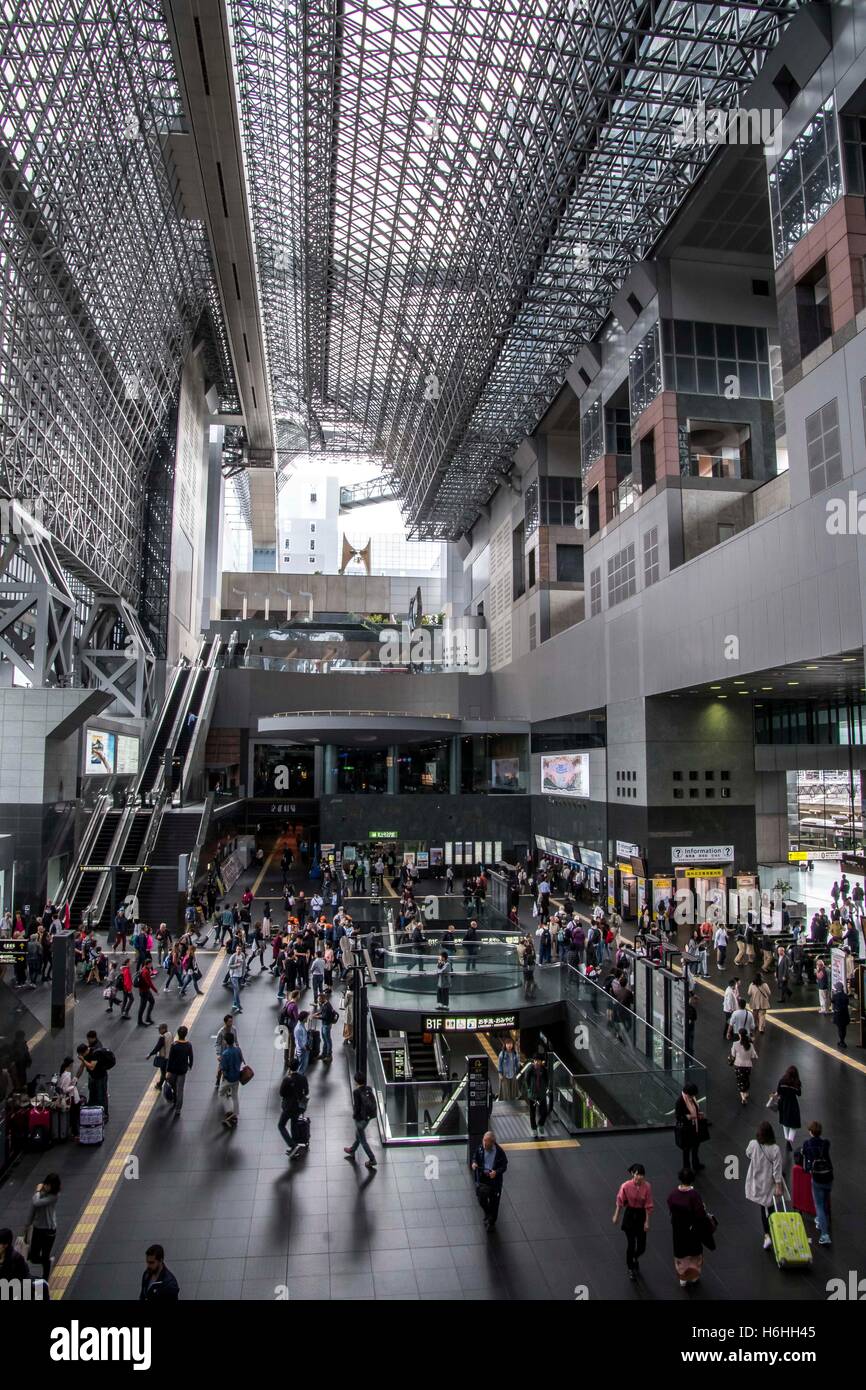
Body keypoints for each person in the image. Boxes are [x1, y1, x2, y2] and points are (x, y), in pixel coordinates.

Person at [745, 1120, 786, 1250]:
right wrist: (778, 1186)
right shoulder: (775, 1149)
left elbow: (748, 1154)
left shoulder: (753, 1144)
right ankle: (775, 1231)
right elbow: (777, 1169)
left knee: (763, 1207)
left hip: (758, 1181)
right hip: (770, 1181)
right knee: (772, 1206)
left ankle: (767, 1235)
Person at [666, 1169, 711, 1287]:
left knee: (681, 1253)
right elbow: (700, 1213)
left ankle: (683, 1277)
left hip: (678, 1228)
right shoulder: (694, 1195)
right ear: (692, 1180)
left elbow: (670, 1205)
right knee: (694, 1252)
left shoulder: (673, 1194)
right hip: (692, 1229)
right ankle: (694, 1275)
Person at [612, 1162, 653, 1281]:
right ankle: (630, 1267)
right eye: (637, 1174)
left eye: (641, 1175)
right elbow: (620, 1201)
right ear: (632, 1174)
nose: (639, 1177)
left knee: (642, 1246)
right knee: (631, 1243)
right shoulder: (625, 1186)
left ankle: (634, 1257)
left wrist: (647, 1221)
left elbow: (648, 1205)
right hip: (630, 1215)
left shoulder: (647, 1187)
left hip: (640, 1215)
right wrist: (616, 1215)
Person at [801, 1120, 833, 1247]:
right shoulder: (826, 1143)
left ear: (810, 1132)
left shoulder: (807, 1144)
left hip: (817, 1178)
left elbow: (804, 1155)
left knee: (818, 1205)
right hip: (829, 1177)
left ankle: (824, 1234)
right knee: (825, 1202)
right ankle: (822, 1221)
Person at [471, 1130, 508, 1231]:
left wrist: (496, 1172)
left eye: (486, 1143)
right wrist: (474, 1162)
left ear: (492, 1143)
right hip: (483, 1177)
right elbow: (475, 1156)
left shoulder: (499, 1152)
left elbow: (504, 1166)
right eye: (483, 1141)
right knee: (481, 1198)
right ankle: (488, 1214)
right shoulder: (481, 1148)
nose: (484, 1144)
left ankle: (491, 1222)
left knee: (494, 1202)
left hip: (494, 1180)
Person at [27, 1173, 61, 1282]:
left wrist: (37, 1191)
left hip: (49, 1229)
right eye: (46, 1184)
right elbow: (33, 1208)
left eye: (49, 1185)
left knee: (45, 1255)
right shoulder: (41, 1193)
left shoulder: (54, 1196)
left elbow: (36, 1203)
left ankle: (45, 1279)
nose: (46, 1187)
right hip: (38, 1228)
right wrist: (27, 1224)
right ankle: (47, 1262)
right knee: (33, 1257)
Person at [344, 1071, 378, 1169]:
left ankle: (372, 1159)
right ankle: (352, 1150)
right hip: (368, 1117)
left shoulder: (356, 1092)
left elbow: (357, 1107)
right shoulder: (369, 1088)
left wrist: (355, 1116)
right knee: (358, 1135)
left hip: (360, 1119)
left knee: (363, 1140)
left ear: (356, 1081)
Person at [278, 1057, 309, 1158]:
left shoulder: (287, 1080)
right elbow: (307, 1091)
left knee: (281, 1125)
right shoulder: (303, 1078)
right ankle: (294, 1145)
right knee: (294, 1122)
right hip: (299, 1106)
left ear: (289, 1067)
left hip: (288, 1106)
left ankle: (292, 1145)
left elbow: (281, 1093)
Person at [76, 1031, 111, 1121]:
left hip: (100, 1077)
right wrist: (76, 1078)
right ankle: (93, 1112)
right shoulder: (87, 1051)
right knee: (92, 1094)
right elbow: (82, 1066)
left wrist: (83, 1060)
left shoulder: (96, 1052)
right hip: (92, 1076)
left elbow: (91, 1067)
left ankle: (104, 1114)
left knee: (101, 1096)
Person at [674, 1082, 706, 1173]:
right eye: (691, 1096)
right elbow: (678, 1117)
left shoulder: (691, 1098)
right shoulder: (680, 1101)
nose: (693, 1097)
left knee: (696, 1146)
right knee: (686, 1149)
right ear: (687, 1094)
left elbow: (695, 1109)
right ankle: (686, 1168)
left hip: (694, 1127)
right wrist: (689, 1116)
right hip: (686, 1130)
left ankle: (696, 1164)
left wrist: (698, 1114)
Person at [165, 1025, 193, 1116]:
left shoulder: (174, 1045)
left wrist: (168, 1071)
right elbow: (191, 1057)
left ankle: (174, 1097)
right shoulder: (188, 1045)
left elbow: (170, 1059)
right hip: (182, 1070)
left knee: (173, 1085)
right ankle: (178, 1109)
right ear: (186, 1034)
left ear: (178, 1034)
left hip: (173, 1070)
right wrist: (190, 1065)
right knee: (180, 1090)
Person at [219, 1030, 244, 1128]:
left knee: (221, 1093)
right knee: (235, 1095)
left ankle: (229, 1111)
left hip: (229, 1078)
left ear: (226, 1041)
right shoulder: (238, 1049)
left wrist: (224, 1075)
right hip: (237, 1076)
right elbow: (241, 1060)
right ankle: (236, 1112)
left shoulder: (225, 1053)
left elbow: (223, 1067)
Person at [730, 1028, 758, 1105]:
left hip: (738, 1065)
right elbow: (754, 1056)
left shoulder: (735, 1044)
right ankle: (745, 1093)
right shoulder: (750, 1045)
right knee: (746, 1079)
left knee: (740, 1081)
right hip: (748, 1066)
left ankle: (743, 1097)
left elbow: (733, 1055)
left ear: (739, 1035)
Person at [776, 1065, 802, 1148]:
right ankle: (790, 1140)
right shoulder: (796, 1083)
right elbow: (799, 1094)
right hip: (792, 1103)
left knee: (784, 1121)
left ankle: (787, 1138)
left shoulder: (782, 1081)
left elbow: (778, 1091)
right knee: (794, 1124)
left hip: (782, 1103)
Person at [525, 1054, 549, 1139]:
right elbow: (526, 1079)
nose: (536, 1062)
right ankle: (534, 1129)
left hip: (541, 1094)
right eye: (535, 1060)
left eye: (538, 1060)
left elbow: (547, 1079)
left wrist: (545, 1088)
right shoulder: (530, 1069)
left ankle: (541, 1124)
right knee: (532, 1112)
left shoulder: (543, 1069)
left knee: (545, 1111)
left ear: (541, 1061)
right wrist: (529, 1089)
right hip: (532, 1095)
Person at [147, 1023, 173, 1091]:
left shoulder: (162, 1037)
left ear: (164, 1029)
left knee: (163, 1073)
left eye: (160, 1029)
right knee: (165, 1072)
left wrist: (150, 1054)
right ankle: (160, 1084)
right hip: (169, 1056)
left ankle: (161, 1085)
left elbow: (157, 1048)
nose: (158, 1030)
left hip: (163, 1058)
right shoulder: (170, 1034)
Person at [497, 1037, 521, 1101]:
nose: (509, 1045)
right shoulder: (502, 1053)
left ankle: (512, 1104)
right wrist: (500, 1074)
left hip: (513, 1074)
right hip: (504, 1075)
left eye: (511, 1044)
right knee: (505, 1092)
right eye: (507, 1044)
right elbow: (499, 1064)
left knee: (512, 1092)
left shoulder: (514, 1053)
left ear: (512, 1045)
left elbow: (517, 1064)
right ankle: (506, 1106)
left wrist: (517, 1069)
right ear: (505, 1045)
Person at [136, 956, 157, 1025]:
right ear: (148, 964)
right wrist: (155, 990)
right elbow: (149, 983)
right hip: (144, 991)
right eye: (151, 964)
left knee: (151, 1002)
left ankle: (147, 1018)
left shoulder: (144, 969)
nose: (151, 965)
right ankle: (140, 1021)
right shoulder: (146, 972)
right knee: (142, 1006)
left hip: (145, 990)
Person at [831, 981, 850, 1049]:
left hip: (838, 1015)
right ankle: (843, 1041)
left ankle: (842, 1041)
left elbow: (832, 1001)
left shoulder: (835, 996)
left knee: (840, 1029)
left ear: (837, 988)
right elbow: (847, 1003)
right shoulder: (845, 995)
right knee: (844, 1029)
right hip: (845, 1015)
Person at [228, 944, 245, 1013]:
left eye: (240, 949)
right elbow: (228, 966)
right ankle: (238, 1005)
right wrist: (236, 966)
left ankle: (235, 1003)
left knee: (237, 990)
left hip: (240, 975)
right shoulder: (233, 956)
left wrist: (243, 974)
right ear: (235, 949)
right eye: (237, 949)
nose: (238, 950)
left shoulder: (242, 955)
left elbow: (244, 964)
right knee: (236, 990)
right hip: (233, 975)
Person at [294, 1010, 310, 1075]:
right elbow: (299, 1042)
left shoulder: (301, 1025)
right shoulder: (299, 1028)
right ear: (303, 1019)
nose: (307, 1019)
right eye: (306, 1017)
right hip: (302, 1051)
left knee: (302, 1066)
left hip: (303, 1049)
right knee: (302, 1067)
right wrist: (306, 1048)